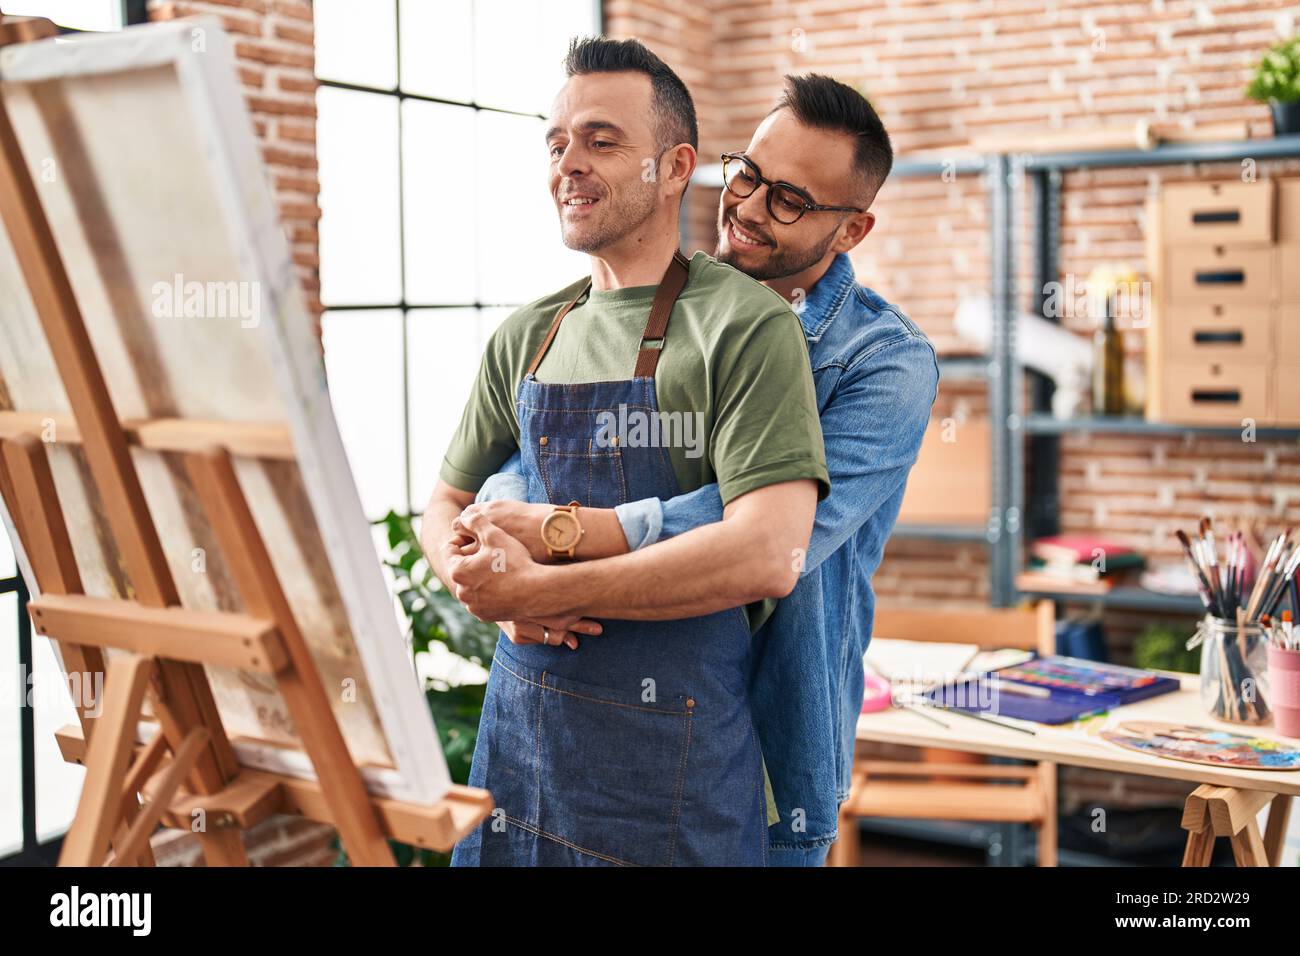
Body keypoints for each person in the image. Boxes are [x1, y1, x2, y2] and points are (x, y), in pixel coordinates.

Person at [453, 72, 939, 867]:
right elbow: (518, 462)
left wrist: (576, 534)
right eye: (746, 174)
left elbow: (781, 537)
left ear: (851, 231)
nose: (745, 208)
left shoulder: (884, 362)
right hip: (601, 719)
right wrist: (499, 540)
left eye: (788, 199)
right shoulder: (632, 310)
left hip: (776, 726)